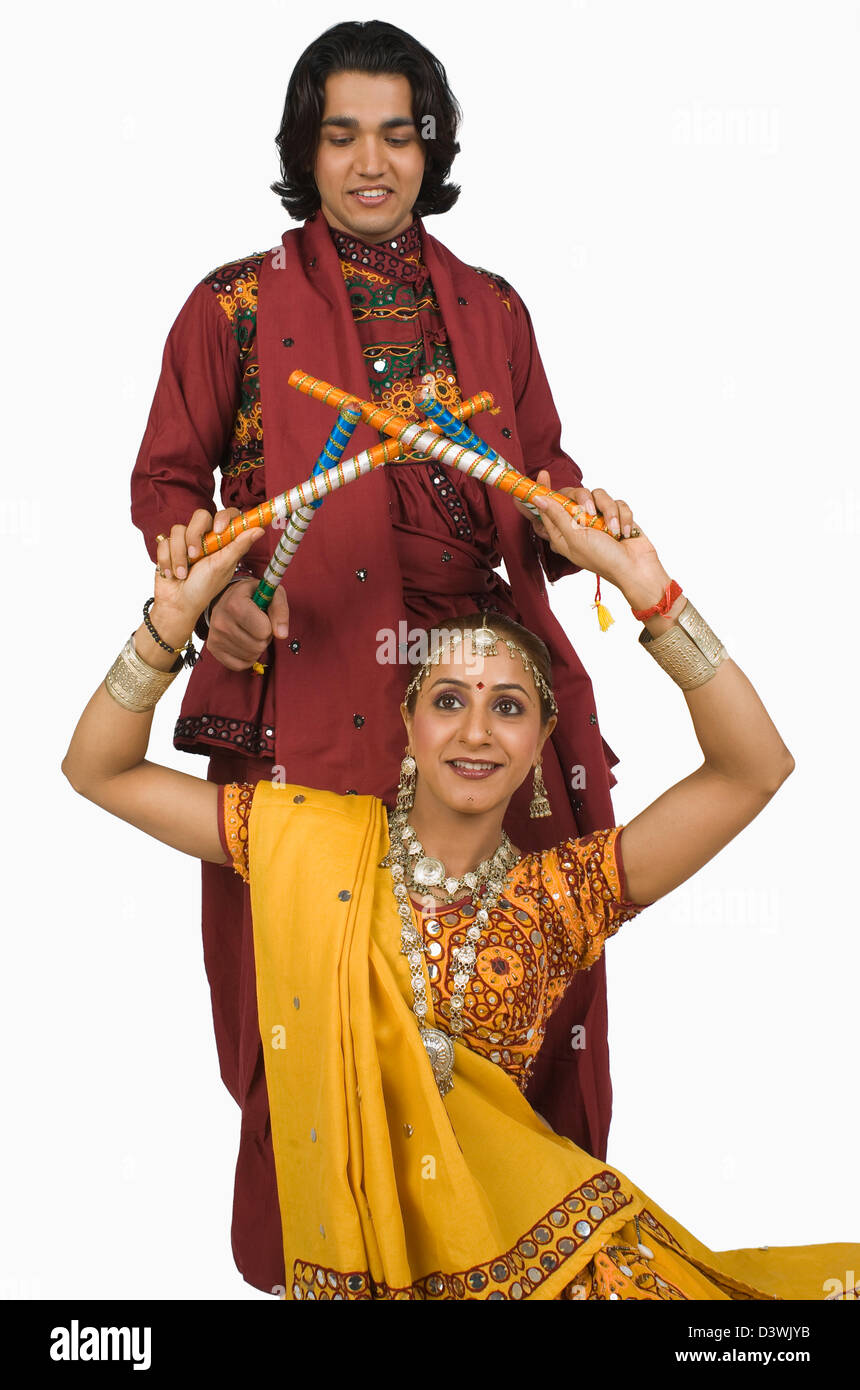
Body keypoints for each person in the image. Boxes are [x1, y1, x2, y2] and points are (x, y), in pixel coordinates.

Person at [129, 18, 637, 1285]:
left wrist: (584, 525)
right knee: (303, 1001)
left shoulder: (490, 305)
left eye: (397, 133)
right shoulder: (233, 305)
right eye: (340, 133)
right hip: (304, 691)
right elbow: (165, 486)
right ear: (304, 149)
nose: (371, 161)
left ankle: (513, 1254)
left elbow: (537, 478)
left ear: (431, 145)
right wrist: (222, 593)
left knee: (510, 987)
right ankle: (339, 1264)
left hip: (480, 698)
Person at [62, 497, 859, 1301]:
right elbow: (100, 770)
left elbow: (752, 770)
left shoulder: (562, 896)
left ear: (543, 740)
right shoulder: (306, 841)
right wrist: (166, 628)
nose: (476, 730)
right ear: (408, 724)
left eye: (508, 707)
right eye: (449, 699)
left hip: (552, 1270)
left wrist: (649, 592)